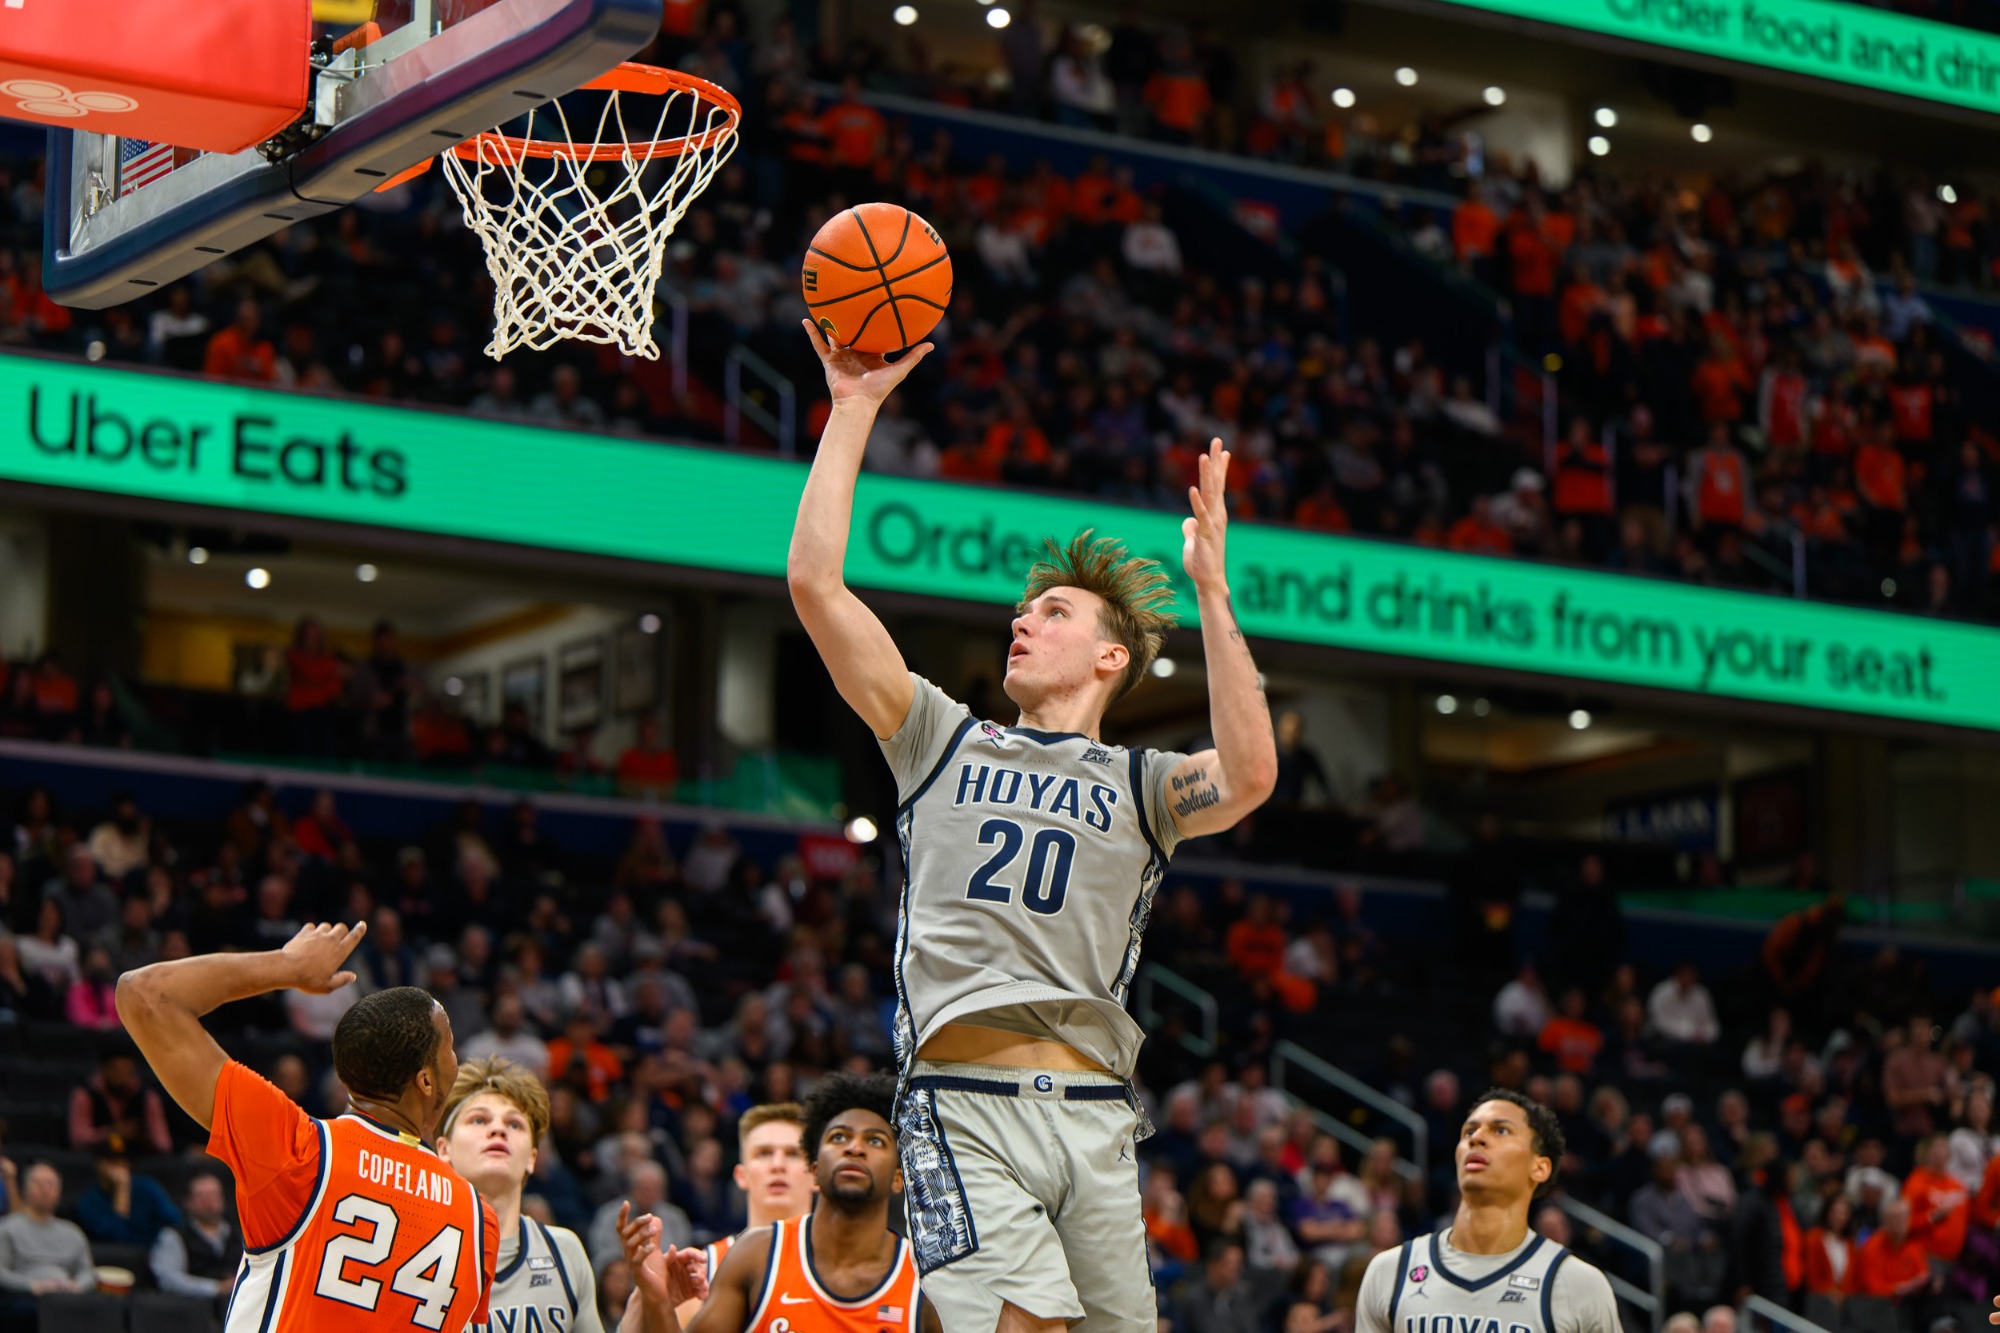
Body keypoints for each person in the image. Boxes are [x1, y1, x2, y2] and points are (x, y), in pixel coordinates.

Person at [788, 322, 1277, 1333]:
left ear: (1109, 658)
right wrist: (852, 411)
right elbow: (816, 589)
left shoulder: (1142, 785)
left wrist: (1211, 588)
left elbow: (1248, 774)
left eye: (1052, 612)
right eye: (1023, 610)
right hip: (959, 1102)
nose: (1021, 620)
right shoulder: (938, 738)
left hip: (1094, 1113)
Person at [115, 921, 500, 1333]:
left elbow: (144, 994)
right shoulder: (479, 1220)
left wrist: (286, 966)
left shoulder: (301, 1152)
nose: (457, 1059)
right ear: (425, 1080)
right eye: (450, 1047)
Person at [622, 1071, 937, 1333]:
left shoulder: (925, 1283)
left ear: (899, 1178)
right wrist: (655, 1299)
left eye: (875, 1140)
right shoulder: (753, 1255)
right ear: (814, 1169)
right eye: (839, 1137)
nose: (854, 1148)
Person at [1356, 1090, 1621, 1333]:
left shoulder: (1578, 1285)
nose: (1477, 1138)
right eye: (1469, 1131)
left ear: (1539, 1168)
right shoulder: (1391, 1271)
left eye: (1501, 1130)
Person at [436, 1056, 602, 1333]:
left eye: (514, 1124)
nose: (498, 1130)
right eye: (479, 1120)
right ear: (444, 1149)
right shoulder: (414, 1249)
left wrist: (648, 1305)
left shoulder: (565, 1251)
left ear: (532, 1158)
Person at [677, 1103, 811, 1324]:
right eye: (764, 1153)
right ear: (741, 1175)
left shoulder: (847, 1266)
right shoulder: (704, 1267)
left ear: (815, 1174)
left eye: (793, 1154)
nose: (778, 1165)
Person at [0, 1162, 95, 1319]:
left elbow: (88, 1271)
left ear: (59, 1192)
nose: (45, 1190)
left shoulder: (72, 1232)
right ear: (25, 1189)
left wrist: (78, 1286)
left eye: (50, 1184)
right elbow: (1, 1273)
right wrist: (32, 1286)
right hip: (26, 1298)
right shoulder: (7, 1227)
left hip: (68, 1295)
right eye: (38, 1183)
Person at [151, 1171, 244, 1313]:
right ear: (188, 1202)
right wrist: (216, 1288)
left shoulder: (240, 1233)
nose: (208, 1201)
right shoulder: (173, 1236)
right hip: (190, 1312)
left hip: (238, 1307)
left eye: (213, 1195)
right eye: (201, 1196)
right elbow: (168, 1280)